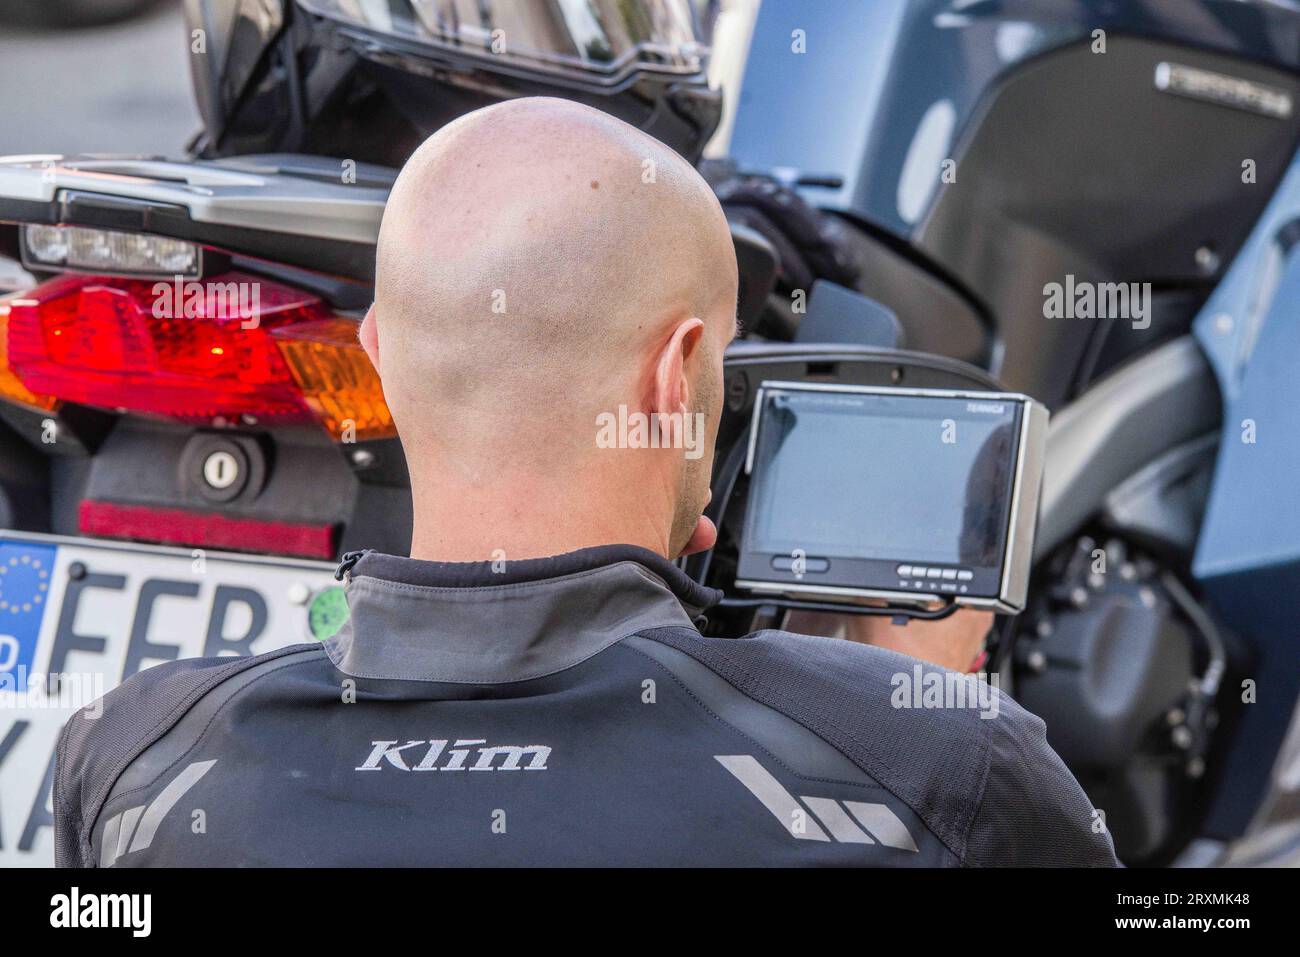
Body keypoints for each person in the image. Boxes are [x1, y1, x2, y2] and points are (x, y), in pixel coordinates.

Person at [54, 98, 1117, 867]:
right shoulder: (933, 769)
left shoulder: (129, 763)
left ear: (376, 352)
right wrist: (927, 698)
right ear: (671, 375)